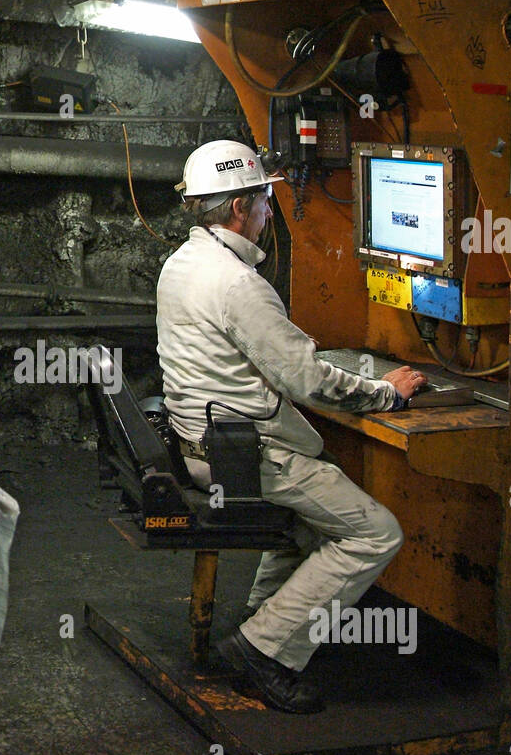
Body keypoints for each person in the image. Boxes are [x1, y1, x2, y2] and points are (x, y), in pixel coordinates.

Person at [157, 140, 426, 713]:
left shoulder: (181, 265)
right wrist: (387, 393)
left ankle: (266, 621)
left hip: (199, 443)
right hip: (244, 456)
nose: (268, 210)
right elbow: (307, 381)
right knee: (375, 532)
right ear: (239, 208)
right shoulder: (237, 284)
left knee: (312, 520)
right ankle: (262, 651)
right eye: (263, 199)